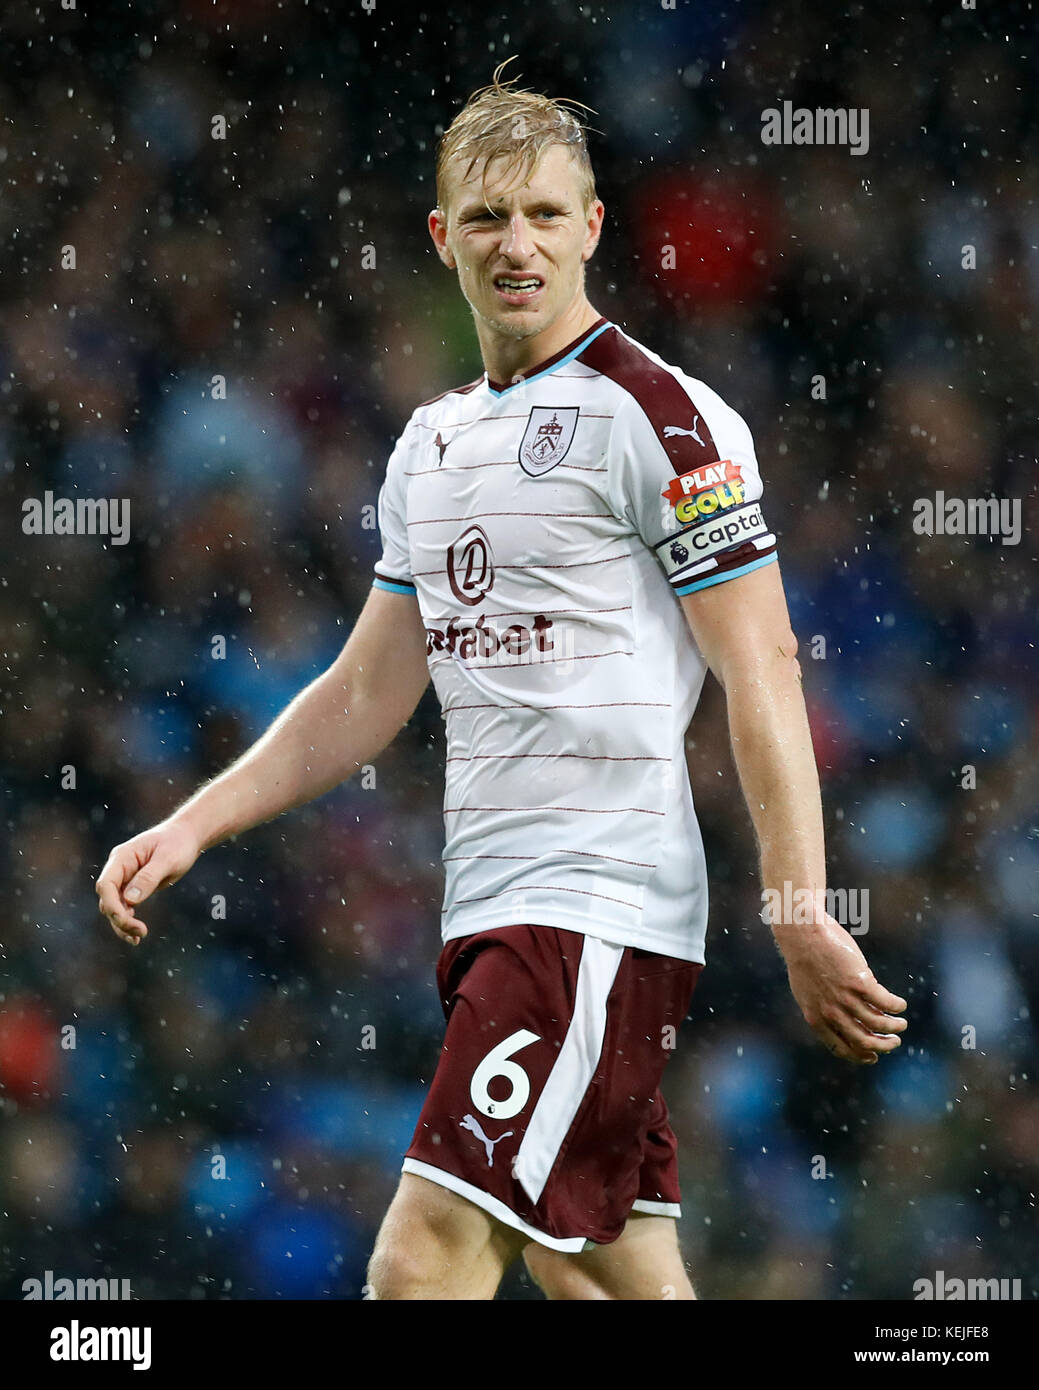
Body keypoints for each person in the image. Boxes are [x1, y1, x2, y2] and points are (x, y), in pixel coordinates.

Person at [97, 61, 908, 1301]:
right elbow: (368, 689)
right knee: (599, 1273)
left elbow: (762, 668)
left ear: (591, 227)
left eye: (542, 213)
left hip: (592, 907)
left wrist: (798, 904)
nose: (514, 243)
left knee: (420, 1261)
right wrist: (196, 819)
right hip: (492, 916)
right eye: (485, 217)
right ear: (442, 239)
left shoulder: (665, 420)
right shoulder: (431, 444)